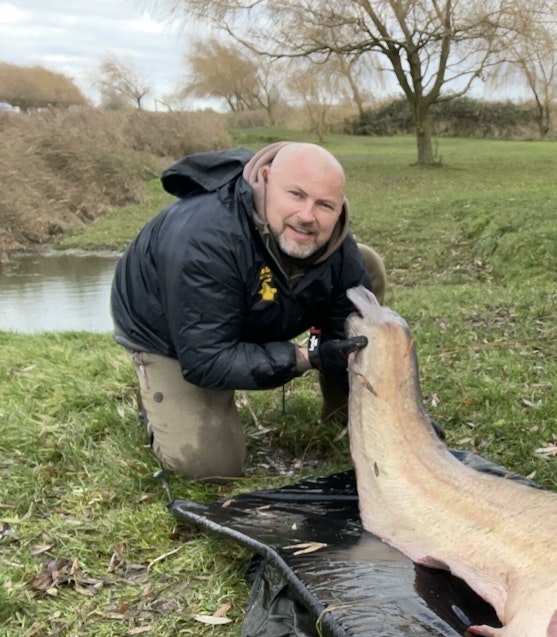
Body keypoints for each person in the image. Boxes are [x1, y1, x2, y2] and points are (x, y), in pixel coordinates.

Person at [111, 142, 387, 481]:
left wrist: (389, 411)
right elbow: (206, 359)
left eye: (324, 205)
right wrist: (309, 356)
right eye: (296, 195)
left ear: (340, 206)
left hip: (257, 304)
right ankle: (155, 400)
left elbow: (354, 330)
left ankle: (346, 411)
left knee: (366, 272)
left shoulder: (333, 239)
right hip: (168, 333)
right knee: (209, 468)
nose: (307, 216)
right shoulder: (205, 239)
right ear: (267, 180)